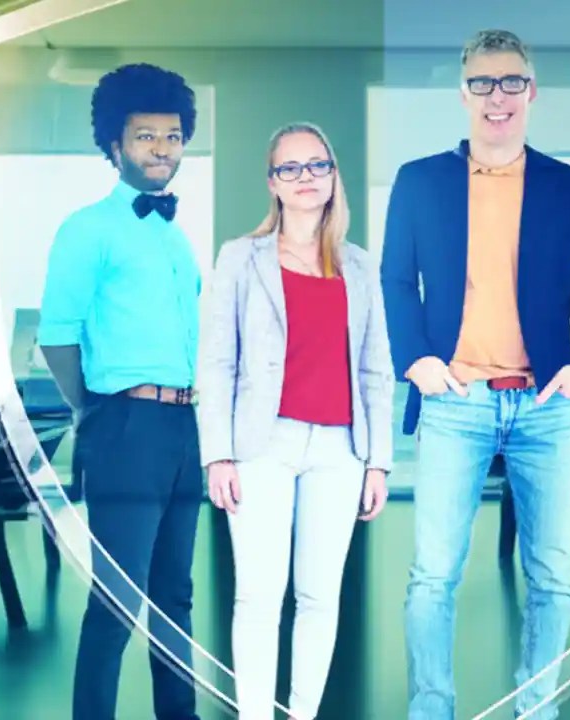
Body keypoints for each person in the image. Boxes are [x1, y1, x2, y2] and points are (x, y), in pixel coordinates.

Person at [380, 28, 570, 720]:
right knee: (432, 578)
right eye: (483, 82)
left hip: (545, 405)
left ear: (532, 92)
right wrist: (417, 361)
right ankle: (431, 710)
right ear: (464, 94)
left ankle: (535, 710)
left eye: (511, 82)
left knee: (553, 580)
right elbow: (395, 278)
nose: (497, 96)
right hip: (455, 401)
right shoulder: (420, 181)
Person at [197, 121, 394, 720]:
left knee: (319, 597)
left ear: (333, 175)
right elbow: (216, 362)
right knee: (258, 596)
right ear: (273, 183)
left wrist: (378, 461)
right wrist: (217, 454)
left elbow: (375, 370)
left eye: (316, 166)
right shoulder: (240, 258)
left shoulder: (359, 266)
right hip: (263, 445)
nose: (305, 178)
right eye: (290, 168)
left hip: (340, 451)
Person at [38, 63, 204, 720]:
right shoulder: (86, 230)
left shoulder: (175, 237)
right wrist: (94, 414)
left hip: (184, 430)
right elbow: (57, 334)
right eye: (145, 136)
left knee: (176, 599)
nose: (161, 148)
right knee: (116, 603)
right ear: (115, 145)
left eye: (172, 135)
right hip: (125, 426)